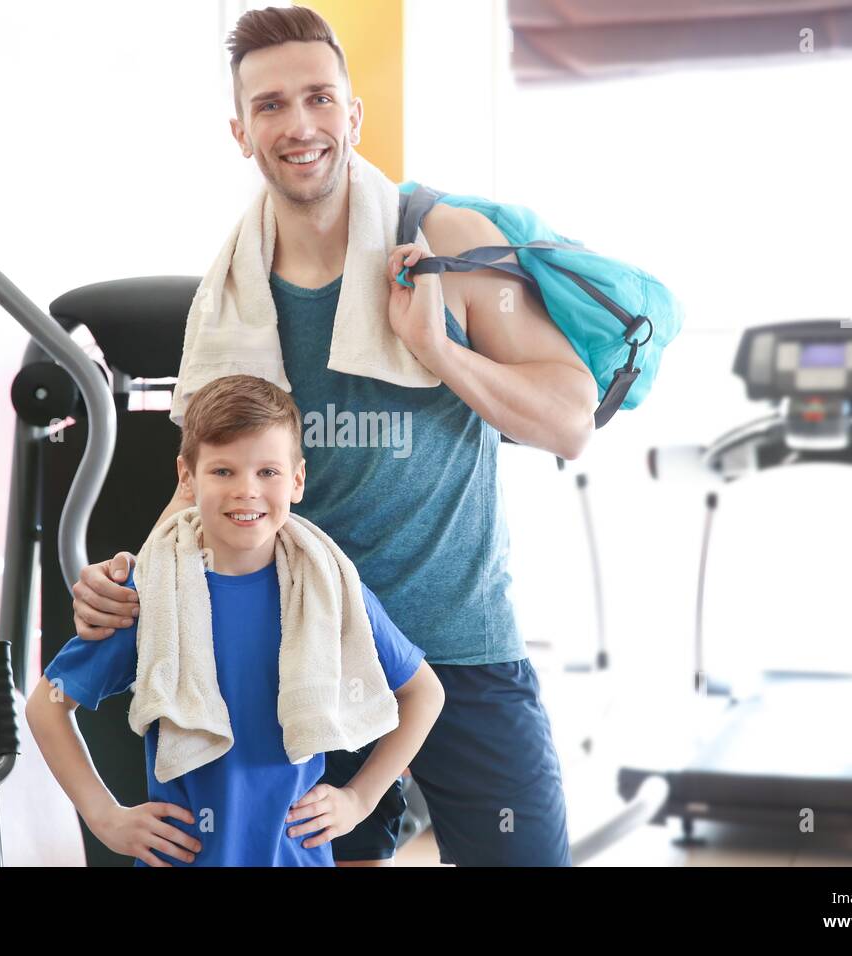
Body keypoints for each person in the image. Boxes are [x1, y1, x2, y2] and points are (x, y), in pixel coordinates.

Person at [70, 6, 597, 866]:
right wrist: (134, 576)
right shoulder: (229, 288)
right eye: (271, 106)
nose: (300, 124)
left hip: (458, 649)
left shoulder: (446, 243)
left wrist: (437, 350)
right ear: (241, 132)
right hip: (305, 659)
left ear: (352, 114)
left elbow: (570, 420)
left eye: (320, 98)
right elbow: (208, 476)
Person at [26, 375, 444, 866]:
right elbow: (47, 707)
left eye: (267, 471)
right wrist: (105, 818)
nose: (247, 491)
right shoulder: (154, 595)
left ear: (297, 480)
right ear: (187, 477)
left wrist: (358, 799)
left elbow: (424, 693)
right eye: (223, 471)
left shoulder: (328, 590)